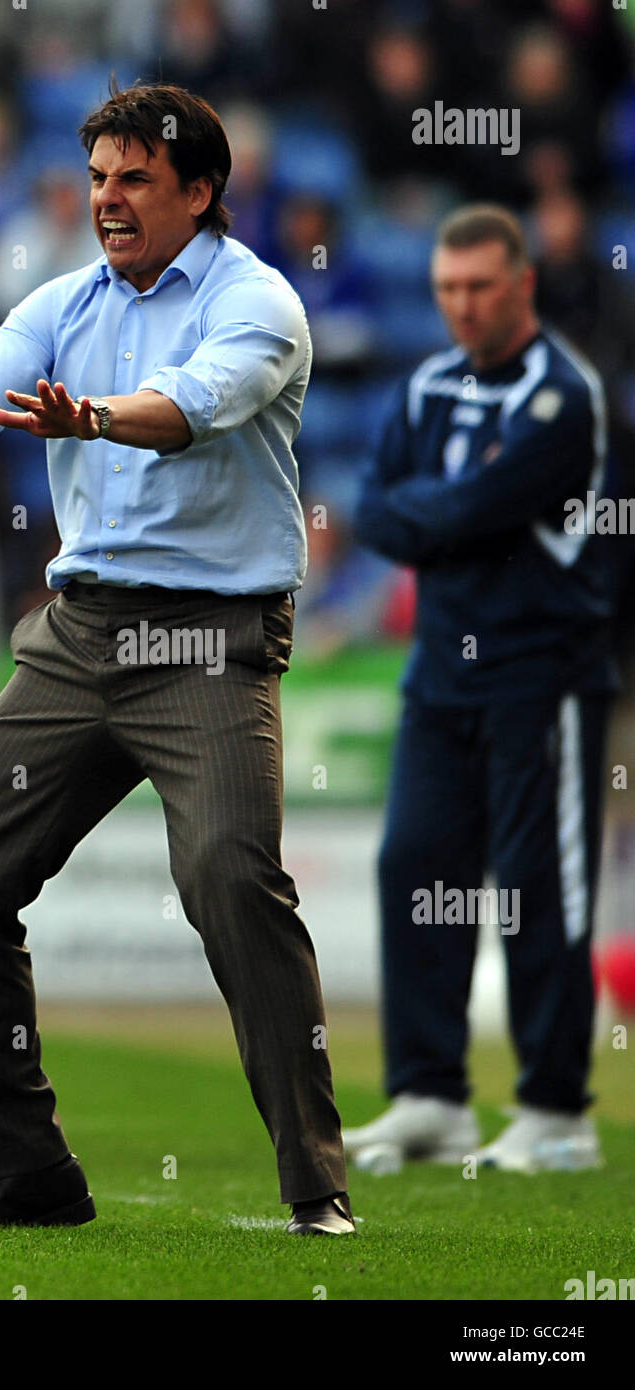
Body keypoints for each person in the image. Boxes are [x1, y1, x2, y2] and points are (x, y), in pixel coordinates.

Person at [0, 80, 354, 1236]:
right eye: (100, 177)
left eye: (133, 180)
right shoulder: (63, 298)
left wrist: (95, 418)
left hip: (208, 641)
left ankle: (315, 1182)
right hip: (78, 636)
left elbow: (195, 404)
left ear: (199, 193)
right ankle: (29, 1175)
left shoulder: (259, 304)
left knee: (226, 876)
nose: (107, 199)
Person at [352, 204, 618, 1173]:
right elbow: (381, 516)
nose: (460, 307)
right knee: (413, 868)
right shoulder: (424, 386)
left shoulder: (563, 394)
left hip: (539, 676)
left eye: (478, 288)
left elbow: (467, 507)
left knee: (539, 889)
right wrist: (438, 517)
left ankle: (557, 1111)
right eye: (445, 290)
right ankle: (431, 1095)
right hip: (439, 676)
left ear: (521, 286)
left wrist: (432, 516)